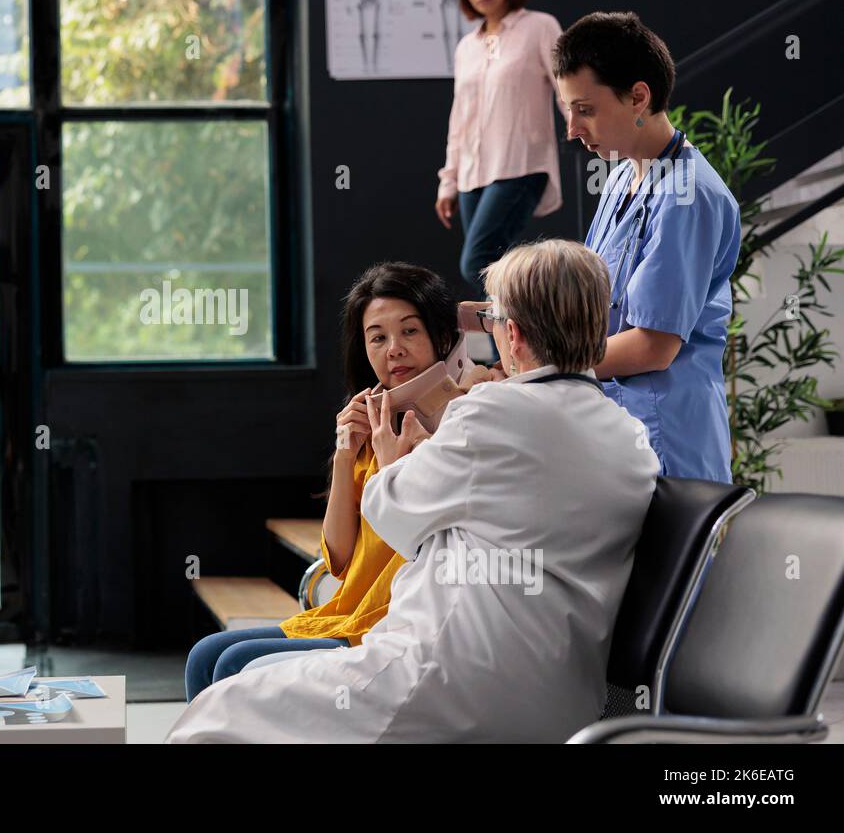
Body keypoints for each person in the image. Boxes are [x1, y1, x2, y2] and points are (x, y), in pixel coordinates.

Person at [167, 241, 658, 742]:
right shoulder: (631, 439)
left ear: (512, 333)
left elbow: (393, 517)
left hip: (450, 677)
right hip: (565, 699)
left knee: (218, 710)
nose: (393, 349)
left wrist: (391, 461)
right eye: (376, 337)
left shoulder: (489, 412)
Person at [182, 263, 483, 701]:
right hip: (347, 611)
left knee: (233, 664)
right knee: (205, 654)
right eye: (377, 337)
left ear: (444, 337)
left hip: (391, 626)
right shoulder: (370, 422)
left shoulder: (462, 421)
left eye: (410, 331)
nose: (393, 349)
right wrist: (345, 453)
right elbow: (339, 557)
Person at [554, 11, 740, 482]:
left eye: (586, 110)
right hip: (618, 427)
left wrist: (544, 363)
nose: (571, 129)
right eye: (568, 110)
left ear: (639, 96)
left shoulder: (689, 195)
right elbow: (591, 295)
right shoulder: (622, 175)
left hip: (668, 436)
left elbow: (654, 347)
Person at [435, 0, 565, 362]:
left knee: (477, 261)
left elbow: (566, 86)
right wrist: (448, 181)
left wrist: (584, 122)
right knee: (492, 269)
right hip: (473, 173)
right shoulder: (466, 46)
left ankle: (524, 346)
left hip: (521, 163)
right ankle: (513, 357)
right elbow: (460, 117)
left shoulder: (540, 27)